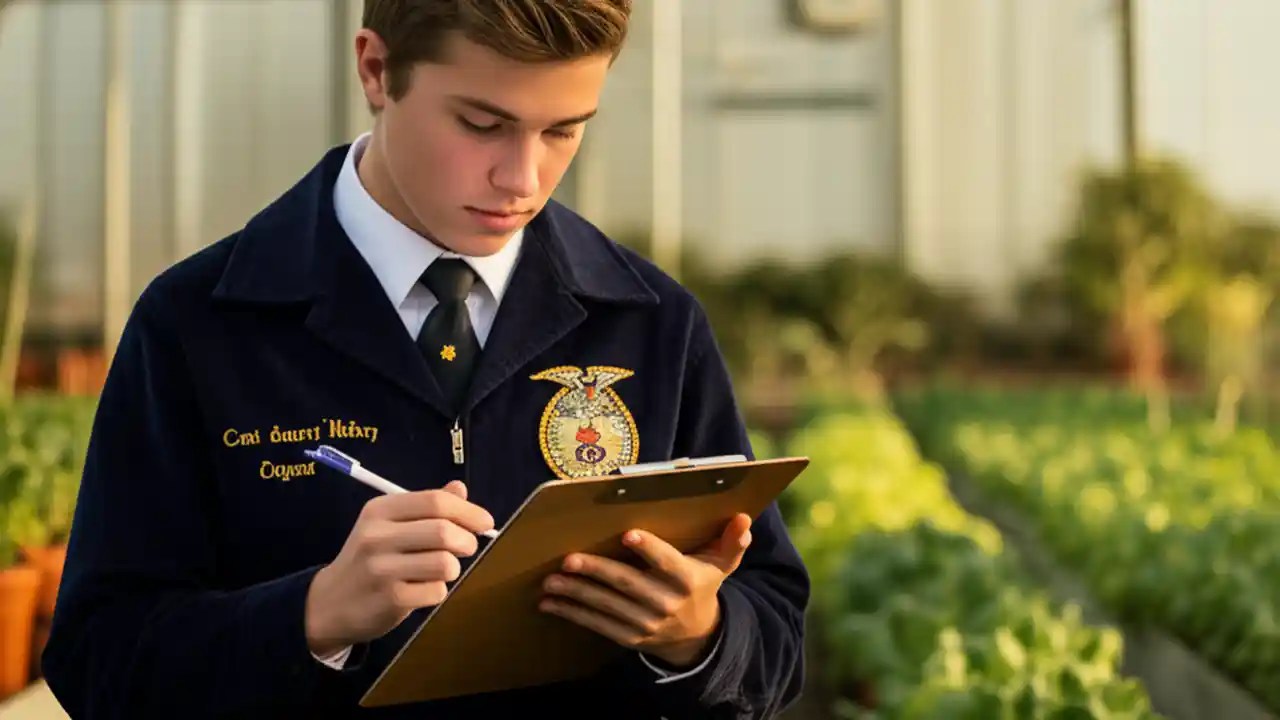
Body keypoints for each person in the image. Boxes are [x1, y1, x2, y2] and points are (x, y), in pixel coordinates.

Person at [41, 1, 809, 717]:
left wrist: (699, 634)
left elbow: (777, 632)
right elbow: (98, 659)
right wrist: (312, 616)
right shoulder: (197, 325)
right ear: (375, 70)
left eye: (565, 131)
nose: (524, 178)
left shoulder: (651, 322)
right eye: (482, 124)